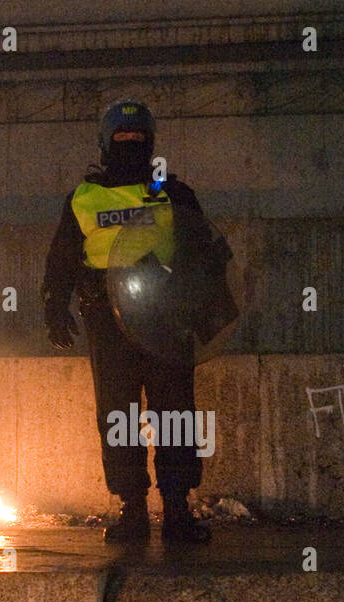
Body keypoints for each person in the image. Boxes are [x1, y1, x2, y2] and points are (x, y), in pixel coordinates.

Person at [40, 99, 216, 543]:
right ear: (105, 143)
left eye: (138, 140)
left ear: (151, 143)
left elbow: (204, 255)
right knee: (119, 416)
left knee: (174, 416)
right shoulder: (83, 197)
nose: (130, 146)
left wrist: (200, 306)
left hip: (166, 319)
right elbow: (63, 257)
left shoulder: (174, 193)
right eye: (123, 139)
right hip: (106, 320)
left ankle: (177, 510)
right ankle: (131, 510)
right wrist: (53, 304)